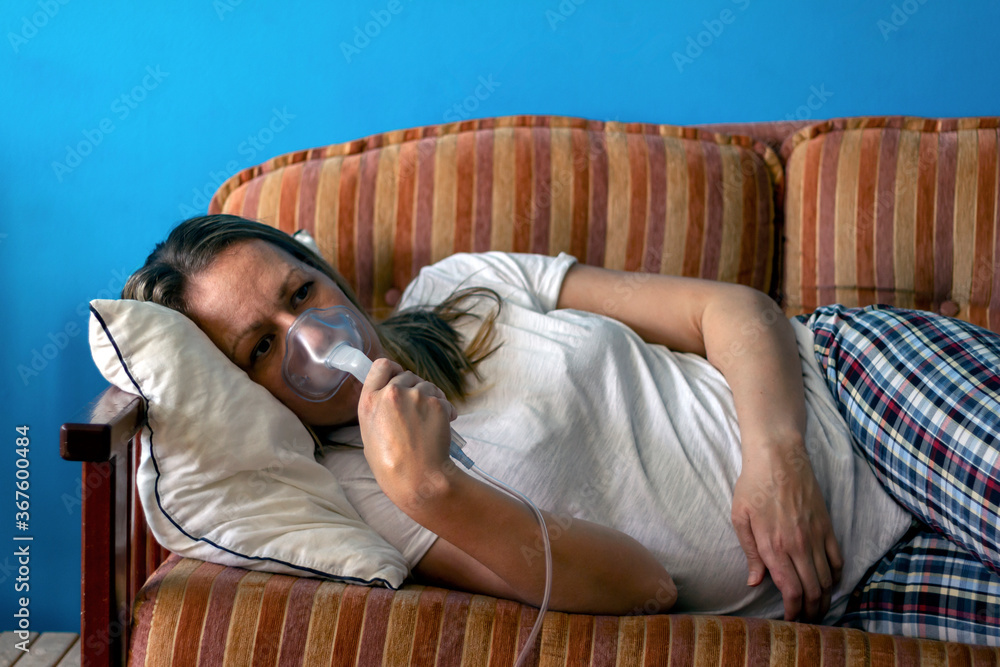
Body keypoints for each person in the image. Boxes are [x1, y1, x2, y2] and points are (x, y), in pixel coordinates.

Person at [122, 214, 1000, 644]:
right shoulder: (369, 498)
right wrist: (437, 490)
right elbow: (644, 587)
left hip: (852, 396)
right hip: (842, 585)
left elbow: (728, 310)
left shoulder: (467, 288)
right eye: (263, 346)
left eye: (299, 292)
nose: (310, 337)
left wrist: (777, 461)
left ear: (327, 273)